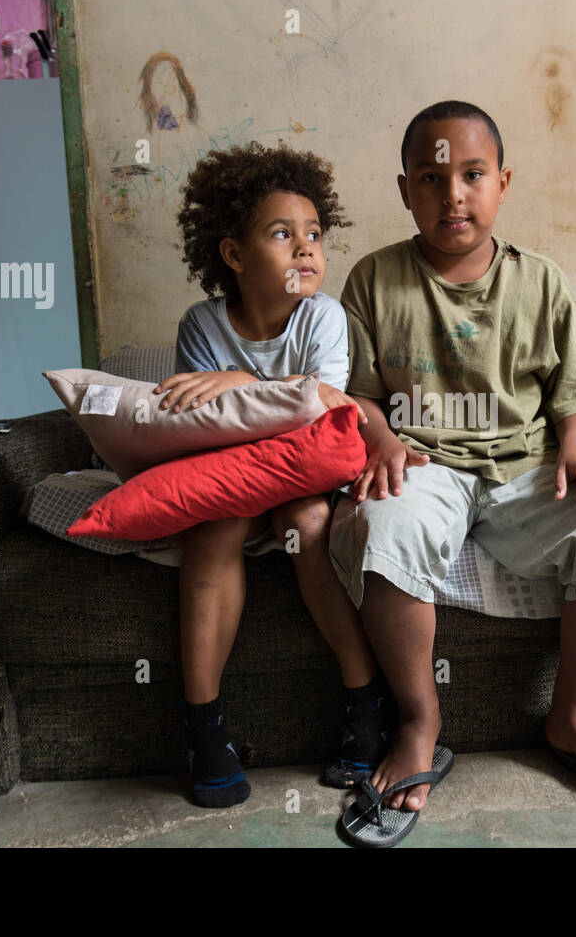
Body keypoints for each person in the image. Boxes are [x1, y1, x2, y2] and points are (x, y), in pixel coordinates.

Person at [330, 101, 576, 842]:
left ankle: (574, 716)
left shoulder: (543, 281)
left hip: (525, 468)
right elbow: (353, 391)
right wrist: (381, 436)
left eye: (471, 174)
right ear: (404, 191)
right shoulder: (373, 279)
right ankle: (420, 724)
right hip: (425, 462)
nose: (452, 193)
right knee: (376, 526)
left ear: (502, 182)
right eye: (431, 177)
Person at [154, 141, 394, 807]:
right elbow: (204, 426)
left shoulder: (323, 316)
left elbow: (321, 409)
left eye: (314, 234)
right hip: (232, 471)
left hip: (303, 472)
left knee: (309, 522)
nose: (306, 249)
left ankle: (365, 706)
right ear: (233, 254)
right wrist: (258, 394)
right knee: (211, 528)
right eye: (282, 234)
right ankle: (205, 730)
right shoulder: (201, 323)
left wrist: (240, 384)